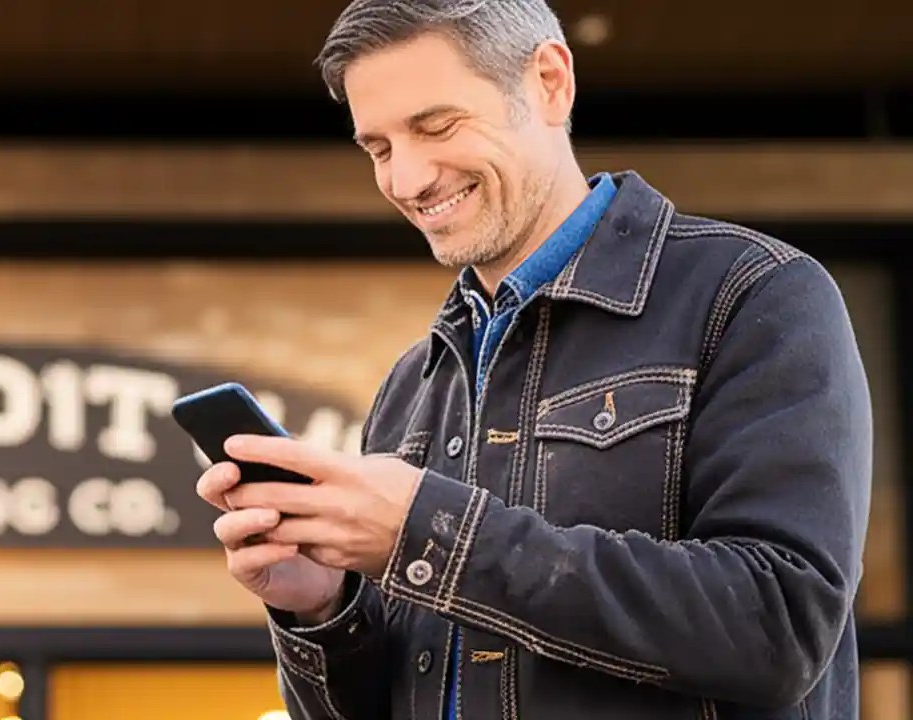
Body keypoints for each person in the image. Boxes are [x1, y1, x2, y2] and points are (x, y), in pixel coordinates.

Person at [194, 0, 873, 718]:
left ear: (550, 81)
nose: (406, 179)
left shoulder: (751, 294)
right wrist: (323, 609)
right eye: (379, 149)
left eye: (436, 126)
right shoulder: (412, 385)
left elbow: (780, 627)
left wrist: (426, 529)